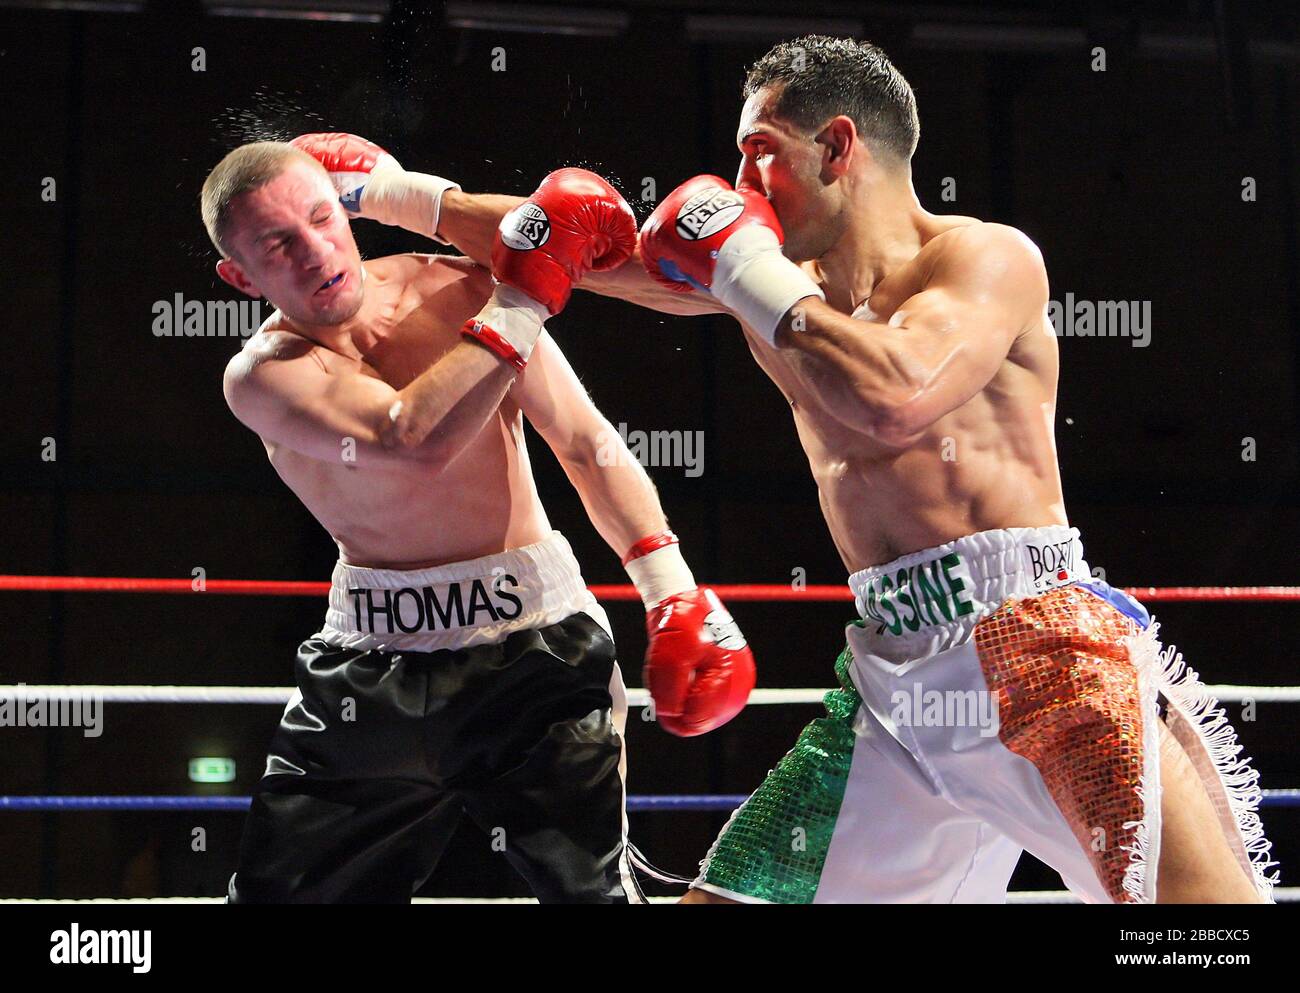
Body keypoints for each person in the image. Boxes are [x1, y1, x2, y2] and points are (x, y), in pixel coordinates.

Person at [424, 36, 1275, 903]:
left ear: (837, 146)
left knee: (1203, 933)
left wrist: (745, 269)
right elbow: (581, 246)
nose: (741, 184)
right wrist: (398, 195)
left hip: (1040, 649)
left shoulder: (983, 259)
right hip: (892, 677)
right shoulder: (774, 281)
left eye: (762, 152)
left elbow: (897, 393)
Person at [199, 136, 755, 903]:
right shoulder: (263, 375)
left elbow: (588, 443)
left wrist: (671, 589)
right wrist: (524, 295)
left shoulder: (456, 288)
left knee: (590, 895)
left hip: (536, 647)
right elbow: (409, 438)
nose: (315, 251)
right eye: (278, 244)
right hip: (371, 667)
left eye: (325, 218)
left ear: (348, 210)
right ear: (239, 275)